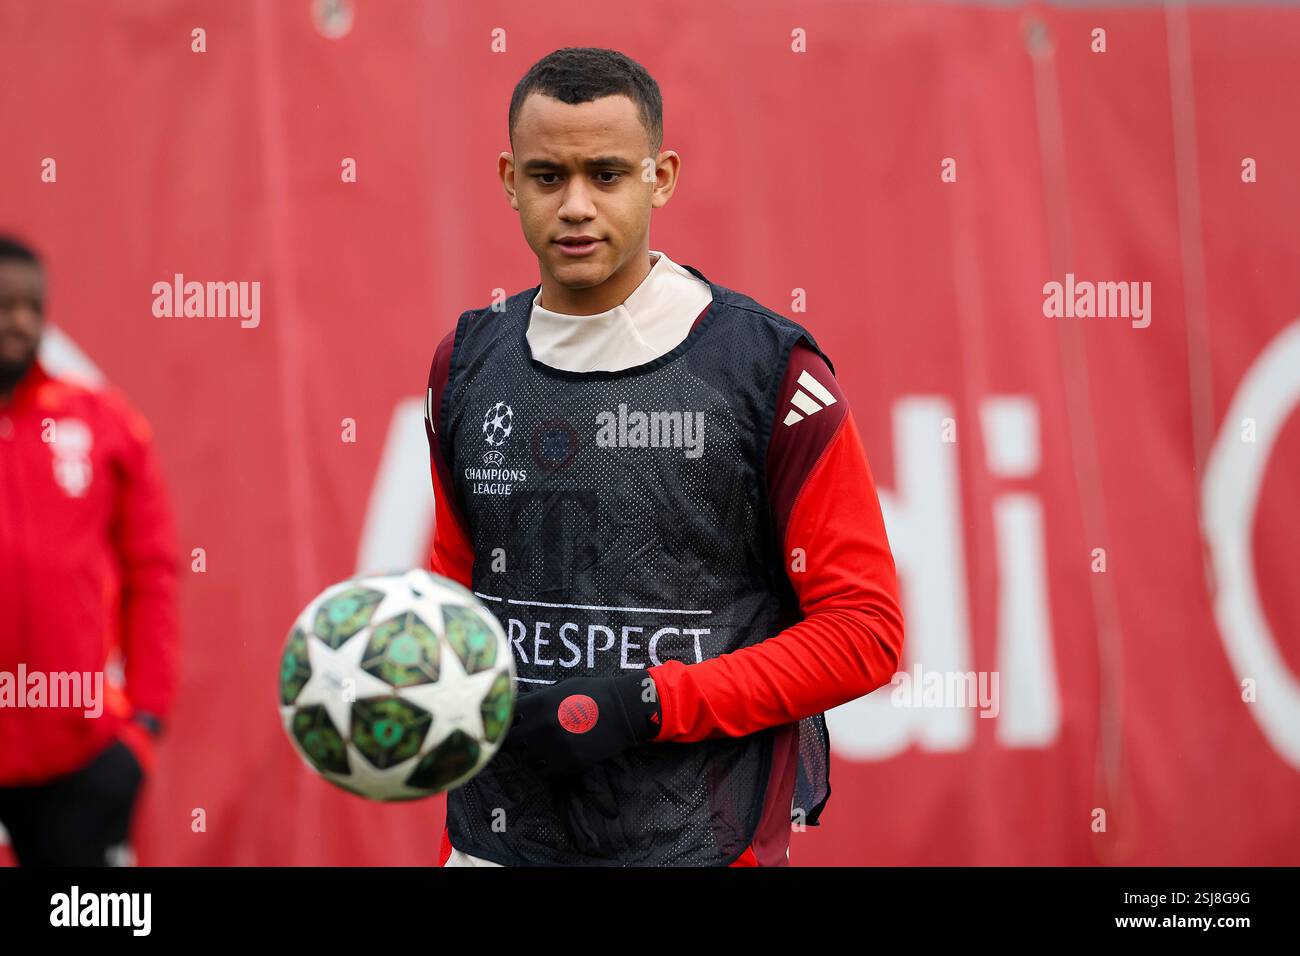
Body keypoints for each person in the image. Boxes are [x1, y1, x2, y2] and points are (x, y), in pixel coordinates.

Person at [424, 48, 903, 866]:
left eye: (607, 175)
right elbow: (452, 591)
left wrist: (644, 703)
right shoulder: (466, 363)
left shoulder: (769, 373)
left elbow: (865, 634)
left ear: (662, 176)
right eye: (548, 177)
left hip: (694, 846)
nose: (576, 206)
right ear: (508, 180)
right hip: (494, 845)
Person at [0, 235, 180, 866]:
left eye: (31, 306)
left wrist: (144, 727)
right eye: (3, 305)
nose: (18, 322)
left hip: (78, 754)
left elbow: (153, 572)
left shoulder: (101, 420)